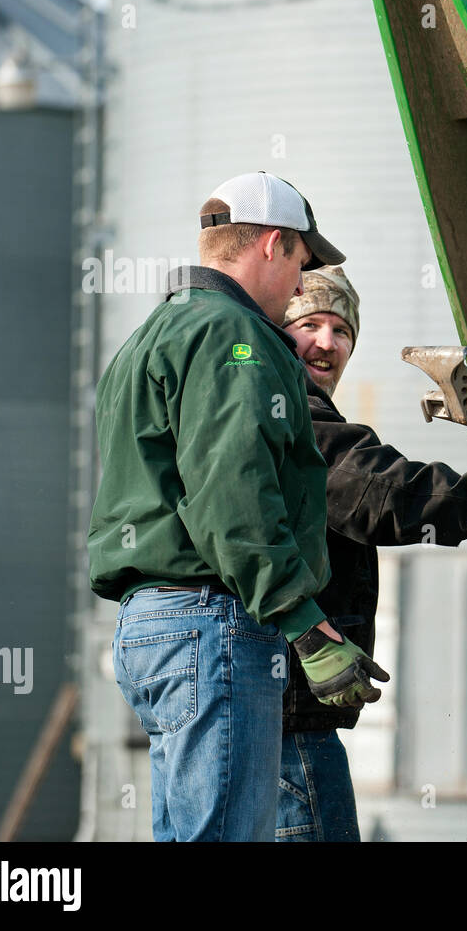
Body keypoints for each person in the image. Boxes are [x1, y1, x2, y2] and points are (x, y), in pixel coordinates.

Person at [88, 172, 381, 841]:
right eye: (302, 263)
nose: (296, 284)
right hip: (212, 624)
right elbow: (234, 493)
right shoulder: (234, 335)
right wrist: (304, 622)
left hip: (150, 625)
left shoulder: (151, 336)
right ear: (275, 244)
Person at [276, 265, 467, 842]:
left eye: (342, 330)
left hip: (275, 717)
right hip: (287, 724)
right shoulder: (287, 410)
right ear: (275, 329)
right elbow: (377, 494)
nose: (327, 342)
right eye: (309, 323)